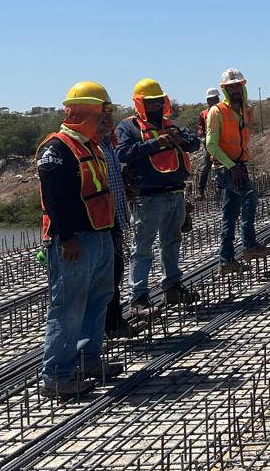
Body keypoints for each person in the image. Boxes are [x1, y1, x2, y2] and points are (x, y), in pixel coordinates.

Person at [37, 82, 124, 398]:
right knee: (68, 308)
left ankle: (87, 361)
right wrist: (67, 238)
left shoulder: (92, 146)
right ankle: (56, 376)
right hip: (74, 243)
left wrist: (111, 231)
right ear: (86, 112)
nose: (106, 118)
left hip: (99, 237)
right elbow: (54, 199)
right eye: (102, 112)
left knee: (98, 300)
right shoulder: (57, 149)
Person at [116, 78, 202, 313]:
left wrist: (180, 139)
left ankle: (173, 286)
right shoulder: (128, 127)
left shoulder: (169, 125)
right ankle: (138, 298)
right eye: (150, 103)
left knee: (172, 241)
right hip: (147, 197)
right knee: (142, 247)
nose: (155, 107)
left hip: (175, 194)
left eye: (157, 102)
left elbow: (195, 143)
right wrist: (155, 143)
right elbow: (122, 153)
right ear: (140, 103)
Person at [206, 68, 270, 272]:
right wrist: (232, 167)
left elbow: (245, 133)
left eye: (238, 86)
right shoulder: (217, 111)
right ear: (224, 90)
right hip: (227, 168)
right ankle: (249, 246)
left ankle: (226, 261)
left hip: (238, 166)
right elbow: (211, 145)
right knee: (250, 196)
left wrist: (248, 114)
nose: (235, 90)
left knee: (230, 213)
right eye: (230, 87)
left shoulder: (243, 110)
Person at [98, 110, 135, 340]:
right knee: (107, 277)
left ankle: (112, 323)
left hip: (115, 221)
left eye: (109, 116)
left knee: (115, 273)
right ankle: (109, 325)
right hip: (102, 224)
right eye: (101, 116)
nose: (107, 120)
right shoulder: (93, 147)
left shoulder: (108, 144)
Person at [195, 87, 221, 199]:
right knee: (206, 167)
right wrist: (201, 134)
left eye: (215, 99)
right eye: (211, 99)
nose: (213, 101)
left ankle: (220, 190)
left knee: (222, 167)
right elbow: (200, 127)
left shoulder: (223, 111)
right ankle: (200, 192)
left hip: (222, 144)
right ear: (208, 101)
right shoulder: (204, 113)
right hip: (209, 144)